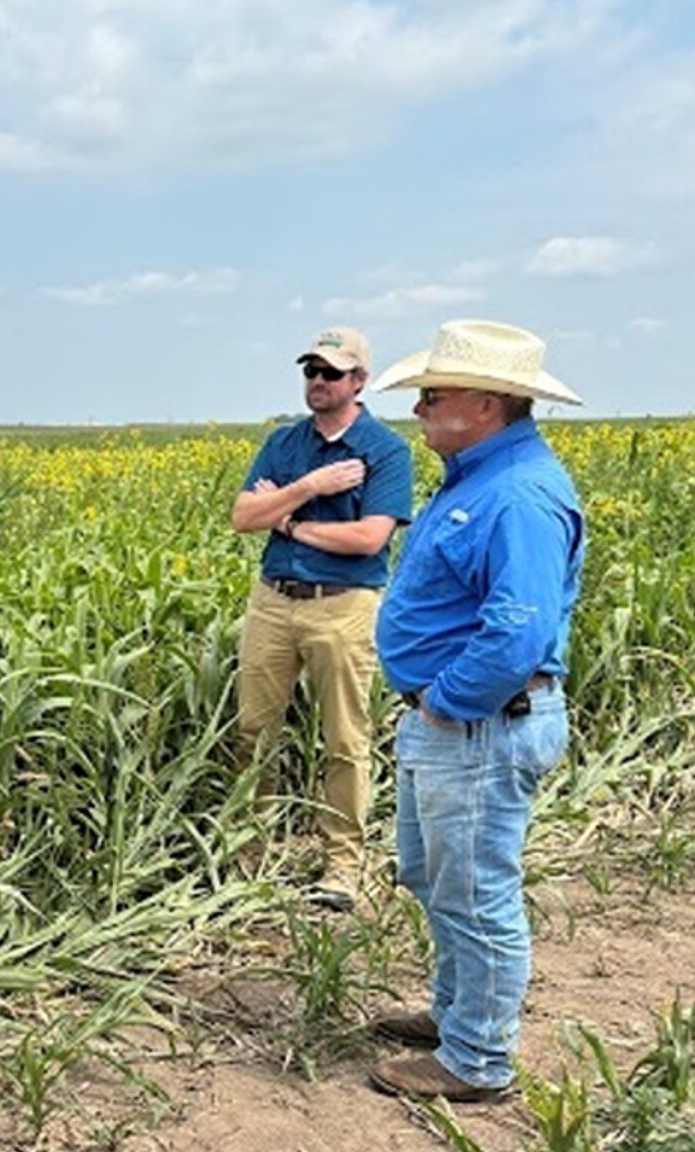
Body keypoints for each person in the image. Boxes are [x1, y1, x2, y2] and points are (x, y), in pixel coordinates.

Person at [363, 319, 585, 1102]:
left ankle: (476, 1060)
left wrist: (446, 701)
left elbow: (516, 628)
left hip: (478, 725)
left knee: (475, 889)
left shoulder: (518, 493)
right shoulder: (476, 477)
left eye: (435, 393)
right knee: (435, 877)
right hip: (455, 724)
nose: (419, 406)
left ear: (487, 404)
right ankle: (457, 1013)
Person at [229, 327, 414, 911]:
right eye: (310, 370)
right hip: (273, 600)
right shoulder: (286, 444)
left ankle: (342, 865)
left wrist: (286, 517)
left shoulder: (385, 450)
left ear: (359, 382)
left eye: (331, 373)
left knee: (345, 739)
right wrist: (311, 487)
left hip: (343, 604)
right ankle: (249, 855)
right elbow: (242, 515)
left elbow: (368, 538)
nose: (317, 382)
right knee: (254, 731)